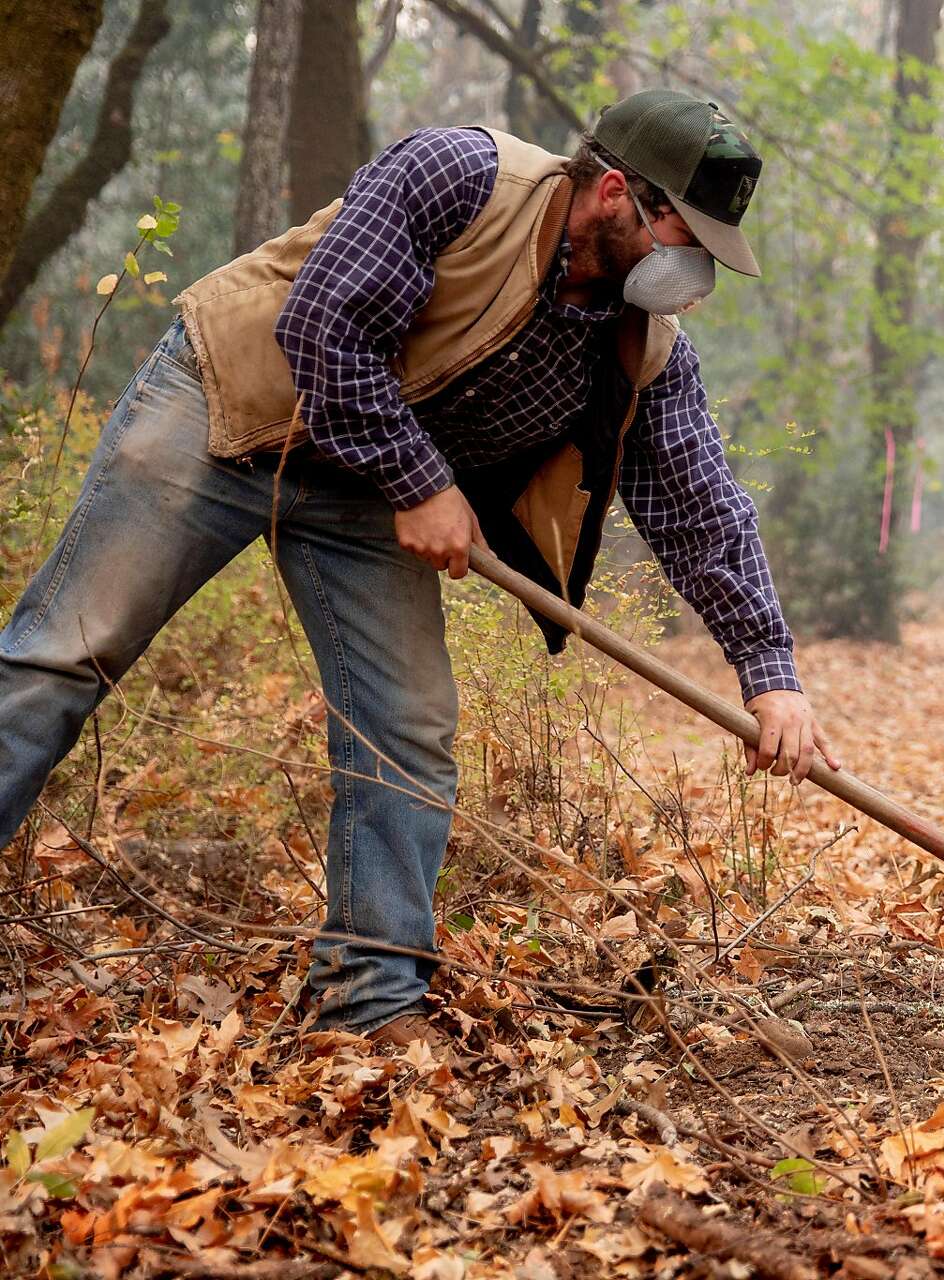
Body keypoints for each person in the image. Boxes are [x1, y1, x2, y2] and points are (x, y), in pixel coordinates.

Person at [0, 90, 837, 1050]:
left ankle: (368, 1003)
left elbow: (701, 509)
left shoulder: (642, 348)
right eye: (685, 239)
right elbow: (321, 325)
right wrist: (422, 481)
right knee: (65, 655)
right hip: (226, 411)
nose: (692, 275)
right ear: (615, 192)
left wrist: (770, 675)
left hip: (365, 485)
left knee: (409, 730)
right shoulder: (460, 174)